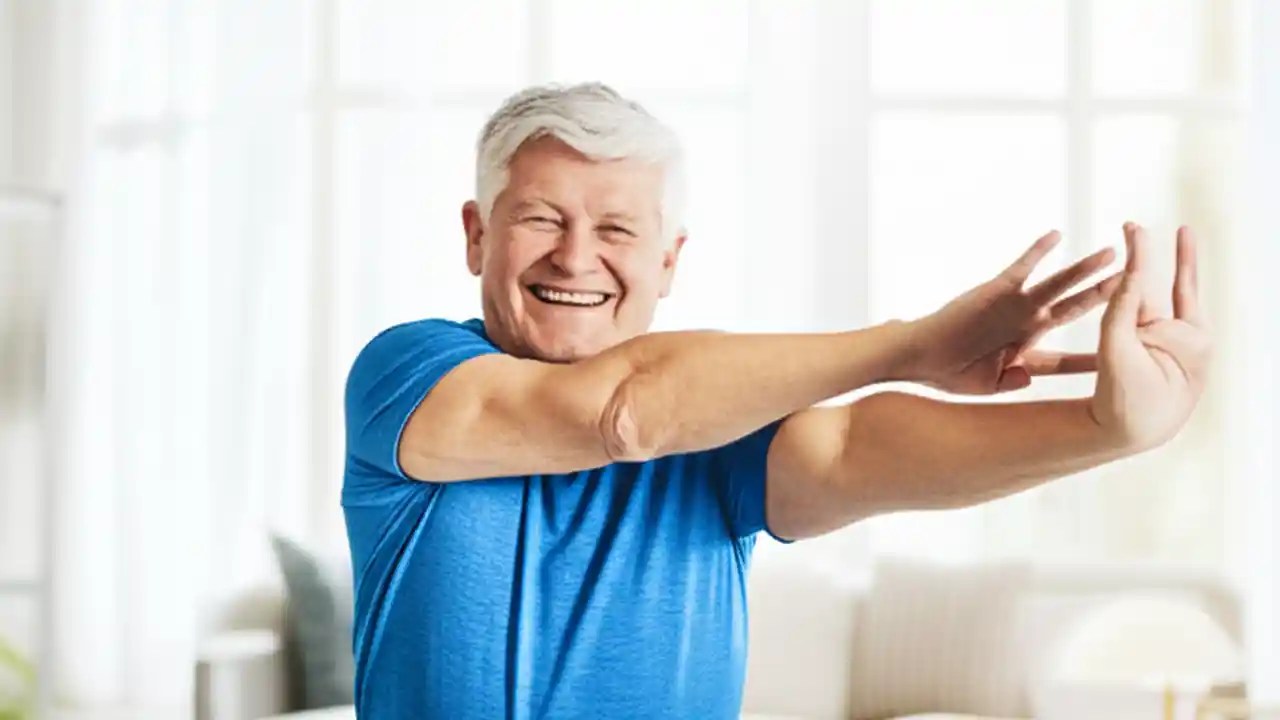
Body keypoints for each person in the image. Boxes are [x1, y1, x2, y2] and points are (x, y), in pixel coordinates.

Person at [341, 83, 1211, 719]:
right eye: (540, 219)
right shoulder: (409, 372)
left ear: (669, 261)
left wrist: (1107, 428)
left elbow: (853, 450)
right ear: (476, 234)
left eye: (615, 230)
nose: (575, 259)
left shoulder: (714, 415)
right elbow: (623, 412)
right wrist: (914, 344)